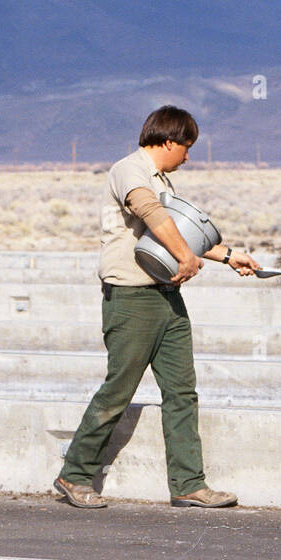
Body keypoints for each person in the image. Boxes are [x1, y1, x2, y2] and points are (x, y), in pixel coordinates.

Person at [54, 106, 260, 510]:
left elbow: (180, 231)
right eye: (186, 147)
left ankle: (189, 483)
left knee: (182, 391)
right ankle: (75, 474)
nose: (188, 157)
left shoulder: (162, 178)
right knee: (119, 389)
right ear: (168, 142)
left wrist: (230, 255)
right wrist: (186, 258)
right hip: (132, 298)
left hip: (167, 296)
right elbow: (152, 213)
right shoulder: (129, 170)